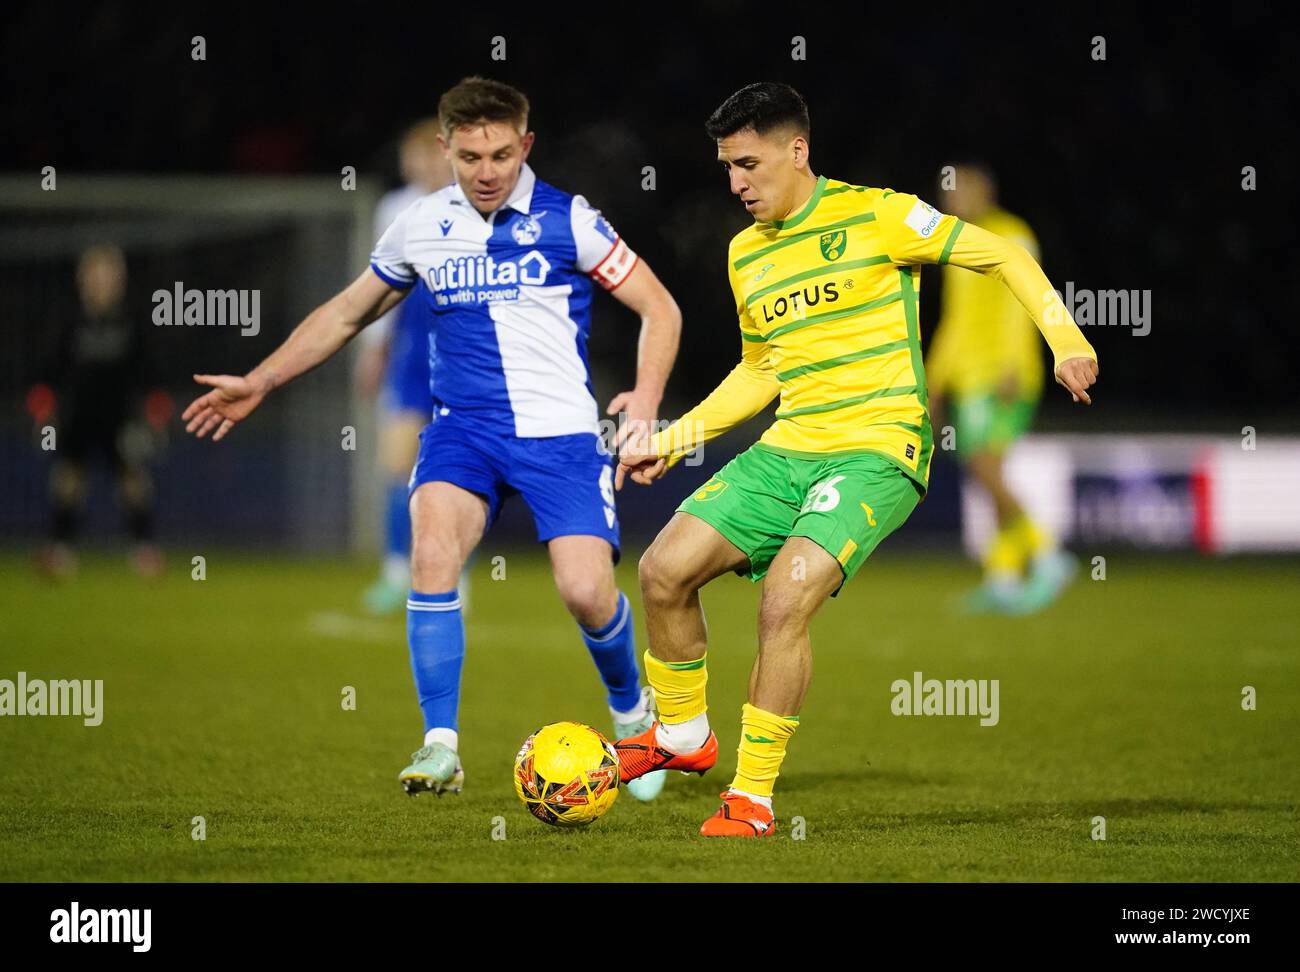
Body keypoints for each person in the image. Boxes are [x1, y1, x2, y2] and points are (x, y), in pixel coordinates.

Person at [614, 82, 1098, 837]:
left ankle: (753, 798)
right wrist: (672, 439)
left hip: (877, 449)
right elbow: (761, 370)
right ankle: (681, 735)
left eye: (748, 163)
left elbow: (1000, 253)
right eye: (726, 168)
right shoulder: (747, 252)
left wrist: (1066, 338)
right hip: (788, 448)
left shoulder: (879, 214)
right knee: (662, 569)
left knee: (786, 594)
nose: (736, 183)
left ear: (797, 151)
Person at [181, 77, 682, 802]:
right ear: (445, 148)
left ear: (526, 146)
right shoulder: (421, 224)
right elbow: (348, 311)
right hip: (465, 433)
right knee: (431, 548)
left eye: (502, 155)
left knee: (584, 591)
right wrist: (261, 379)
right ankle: (441, 745)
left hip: (561, 437)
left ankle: (633, 708)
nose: (486, 171)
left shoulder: (569, 219)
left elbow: (659, 308)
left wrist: (647, 400)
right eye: (471, 155)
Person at [927, 163, 1075, 614]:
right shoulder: (956, 244)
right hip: (970, 378)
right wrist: (936, 381)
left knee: (983, 466)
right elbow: (954, 320)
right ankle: (1005, 579)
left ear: (985, 192)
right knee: (986, 472)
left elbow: (1025, 299)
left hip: (1004, 376)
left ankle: (1046, 553)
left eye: (960, 190)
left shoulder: (1013, 234)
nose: (951, 199)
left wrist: (1013, 362)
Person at [353, 119, 457, 615]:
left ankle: (452, 574)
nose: (426, 165)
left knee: (457, 472)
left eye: (434, 155)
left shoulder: (476, 207)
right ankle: (397, 571)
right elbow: (380, 287)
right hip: (413, 353)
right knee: (398, 467)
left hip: (461, 356)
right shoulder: (394, 209)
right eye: (417, 157)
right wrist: (374, 349)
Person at [29, 243, 171, 580]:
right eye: (96, 275)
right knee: (68, 480)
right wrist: (42, 414)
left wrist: (156, 417)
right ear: (83, 279)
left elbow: (150, 374)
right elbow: (46, 375)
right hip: (78, 415)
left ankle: (145, 551)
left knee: (134, 481)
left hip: (121, 417)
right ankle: (61, 551)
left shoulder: (131, 320)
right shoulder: (69, 320)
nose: (102, 282)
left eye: (109, 274)